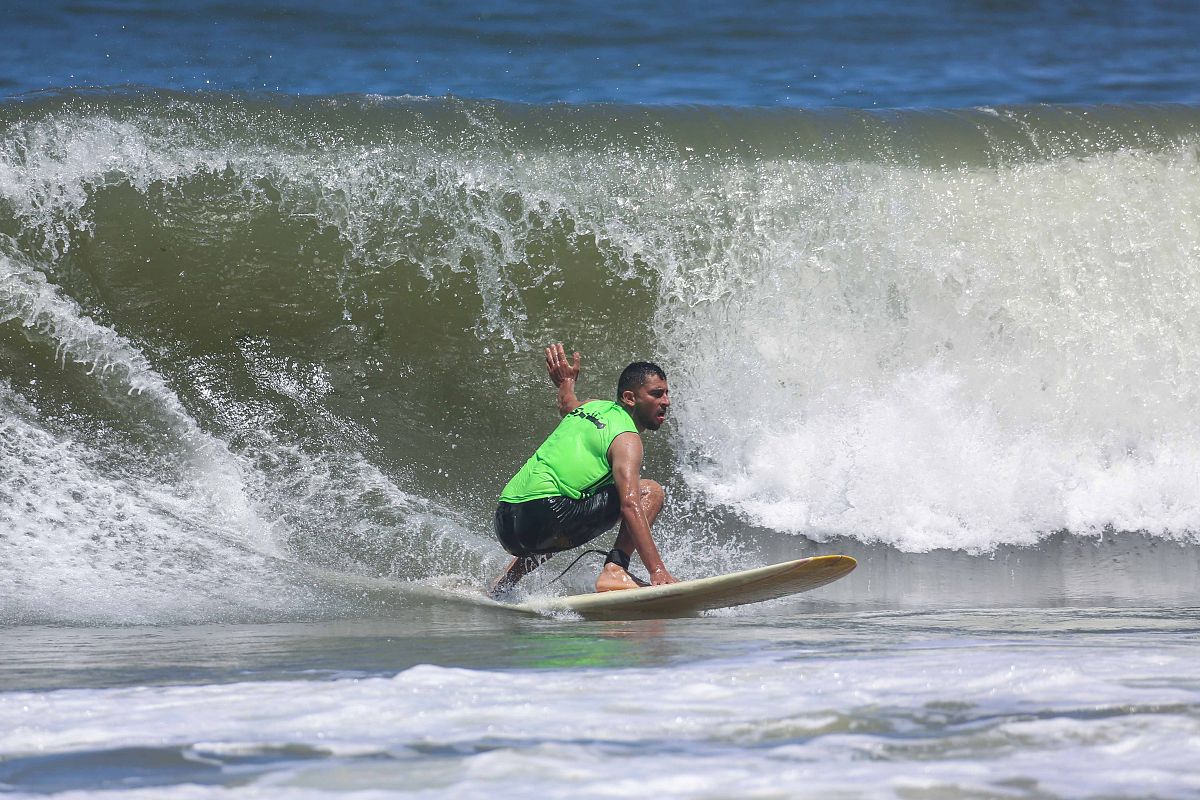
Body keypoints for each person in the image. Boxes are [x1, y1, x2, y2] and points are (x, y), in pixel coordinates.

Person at [489, 343, 678, 597]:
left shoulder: (590, 407)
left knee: (573, 501)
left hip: (506, 520)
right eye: (657, 394)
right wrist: (658, 572)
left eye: (666, 393)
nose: (666, 402)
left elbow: (567, 405)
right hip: (546, 518)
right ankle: (615, 570)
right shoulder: (627, 438)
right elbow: (630, 506)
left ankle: (503, 584)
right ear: (630, 398)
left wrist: (566, 381)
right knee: (650, 492)